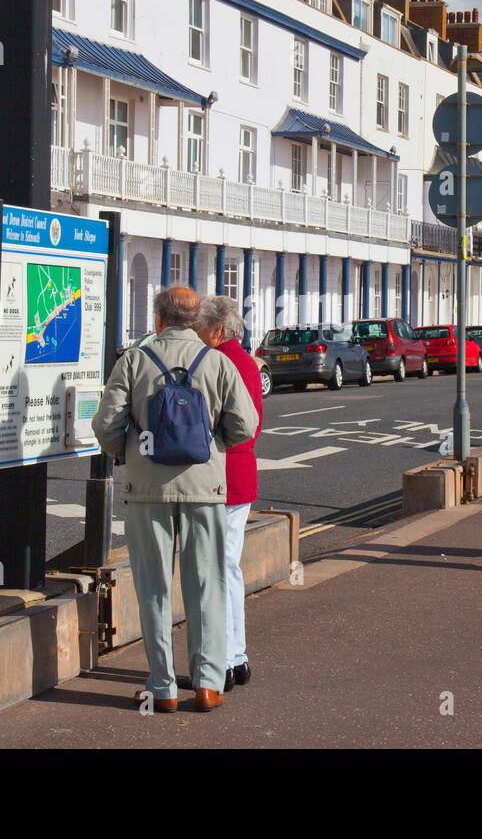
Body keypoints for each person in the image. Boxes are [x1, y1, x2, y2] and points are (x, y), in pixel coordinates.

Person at [92, 287, 258, 713]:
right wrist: (212, 443)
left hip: (148, 491)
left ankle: (163, 687)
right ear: (194, 319)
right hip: (205, 490)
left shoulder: (133, 360)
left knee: (153, 586)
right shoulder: (217, 361)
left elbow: (107, 427)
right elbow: (245, 426)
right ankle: (206, 684)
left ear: (159, 320)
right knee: (208, 583)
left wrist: (130, 450)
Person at [193, 295, 261, 693]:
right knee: (227, 568)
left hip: (222, 476)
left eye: (200, 329)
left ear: (217, 330)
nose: (197, 336)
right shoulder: (247, 362)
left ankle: (224, 661)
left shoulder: (219, 361)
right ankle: (236, 657)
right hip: (241, 475)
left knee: (216, 570)